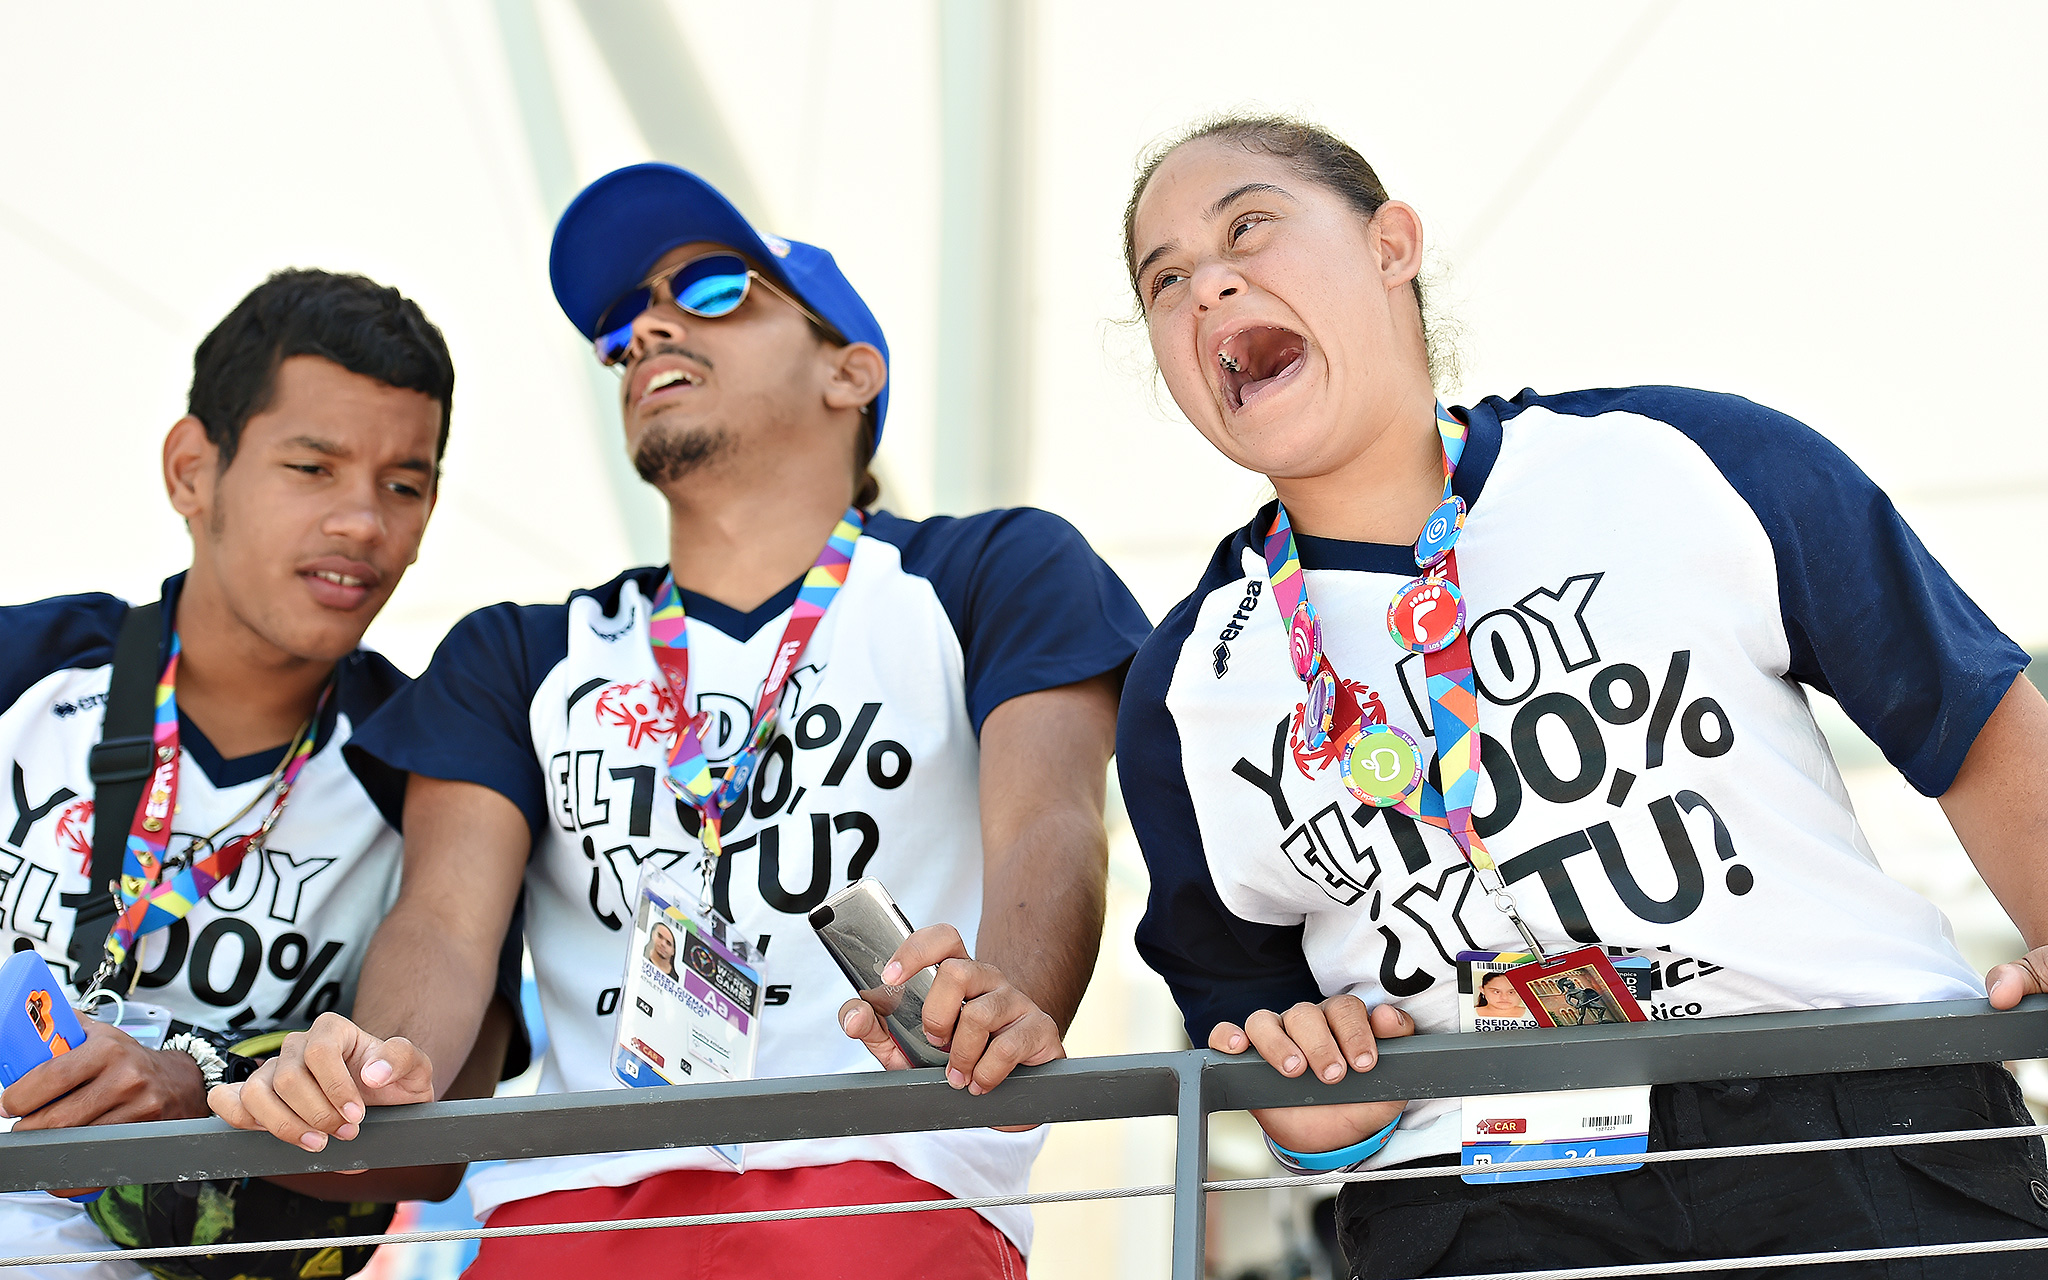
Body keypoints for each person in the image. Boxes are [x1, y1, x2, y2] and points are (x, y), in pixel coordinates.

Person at [1114, 114, 2048, 1277]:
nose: (1208, 286)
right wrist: (1301, 1090)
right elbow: (1248, 1023)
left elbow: (1959, 705)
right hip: (1468, 1195)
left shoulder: (1680, 457)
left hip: (1857, 1131)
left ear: (1389, 244)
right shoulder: (1181, 685)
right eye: (1163, 281)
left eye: (1246, 225)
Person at [211, 163, 1151, 1277]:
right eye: (621, 323)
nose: (649, 323)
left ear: (850, 371)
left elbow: (1048, 820)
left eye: (710, 287)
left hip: (885, 1183)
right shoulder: (515, 651)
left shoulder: (995, 568)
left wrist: (1012, 997)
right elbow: (446, 922)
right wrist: (381, 1058)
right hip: (566, 1205)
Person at [0, 269, 524, 1280]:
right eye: (312, 468)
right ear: (193, 468)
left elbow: (432, 1145)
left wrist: (198, 1083)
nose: (363, 523)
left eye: (403, 484)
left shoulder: (434, 762)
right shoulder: (25, 671)